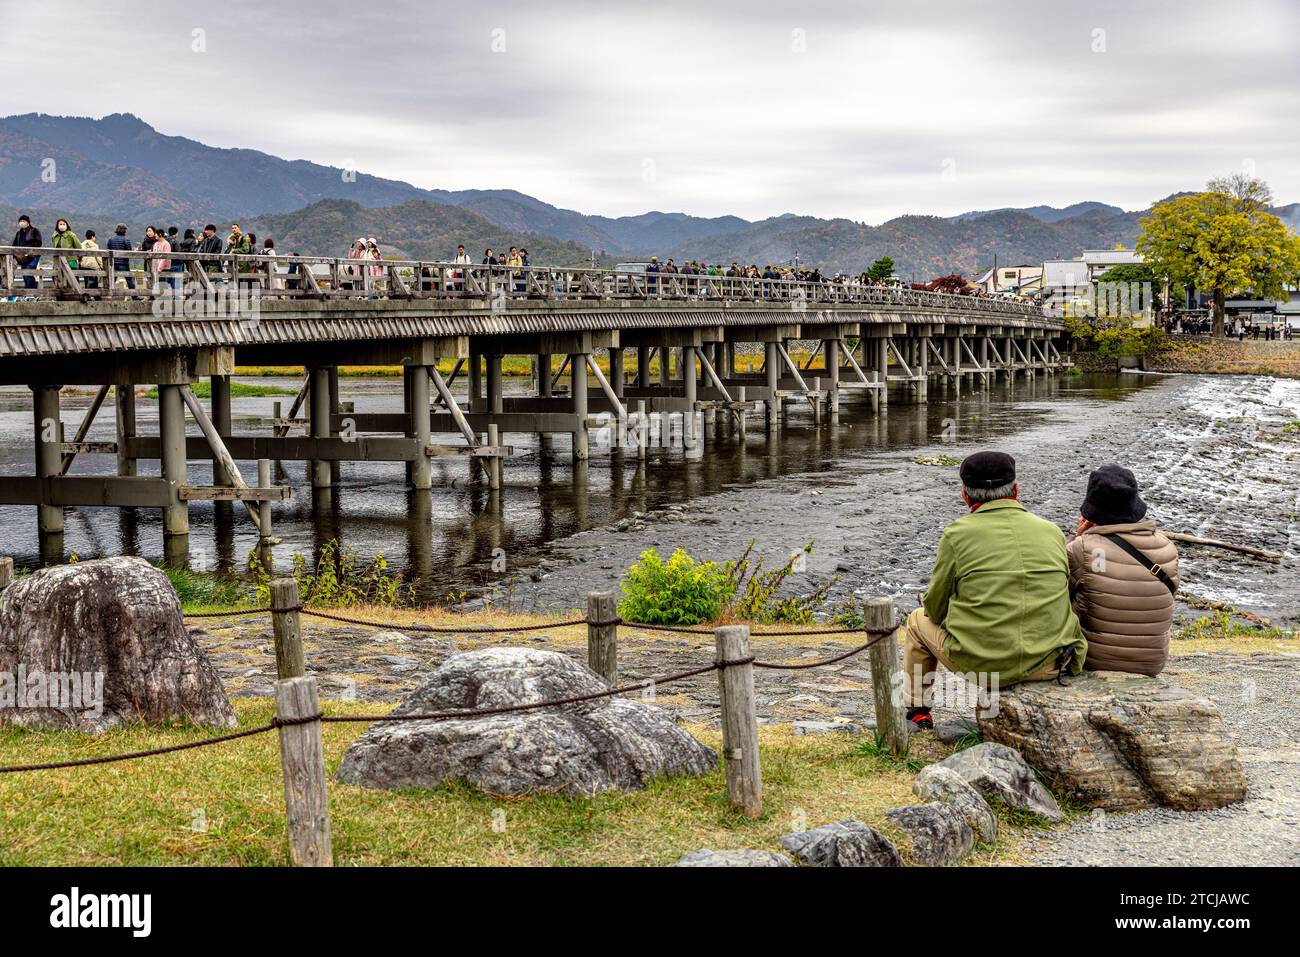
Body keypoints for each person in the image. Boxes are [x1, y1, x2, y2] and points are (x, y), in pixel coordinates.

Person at [897, 451, 1087, 729]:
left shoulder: (956, 535)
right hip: (1050, 663)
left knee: (917, 620)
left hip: (986, 669)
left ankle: (918, 712)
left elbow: (935, 610)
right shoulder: (1052, 531)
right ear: (1016, 490)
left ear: (965, 496)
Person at [1066, 465, 1178, 676]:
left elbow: (1057, 594)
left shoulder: (1082, 548)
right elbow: (1168, 595)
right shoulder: (1167, 548)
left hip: (1092, 661)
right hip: (1152, 663)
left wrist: (1078, 537)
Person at [12, 214, 43, 289]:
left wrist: (26, 248)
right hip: (23, 257)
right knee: (25, 274)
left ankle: (31, 292)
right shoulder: (18, 233)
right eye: (21, 221)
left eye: (24, 221)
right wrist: (14, 255)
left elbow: (38, 242)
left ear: (28, 222)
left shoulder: (35, 231)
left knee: (28, 272)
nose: (22, 222)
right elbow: (14, 245)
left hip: (33, 256)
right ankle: (31, 292)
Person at [106, 223, 136, 291]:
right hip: (124, 263)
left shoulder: (111, 239)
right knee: (129, 279)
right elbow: (129, 252)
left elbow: (107, 251)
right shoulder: (126, 240)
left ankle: (107, 294)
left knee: (112, 279)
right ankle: (134, 295)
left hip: (113, 263)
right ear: (125, 230)